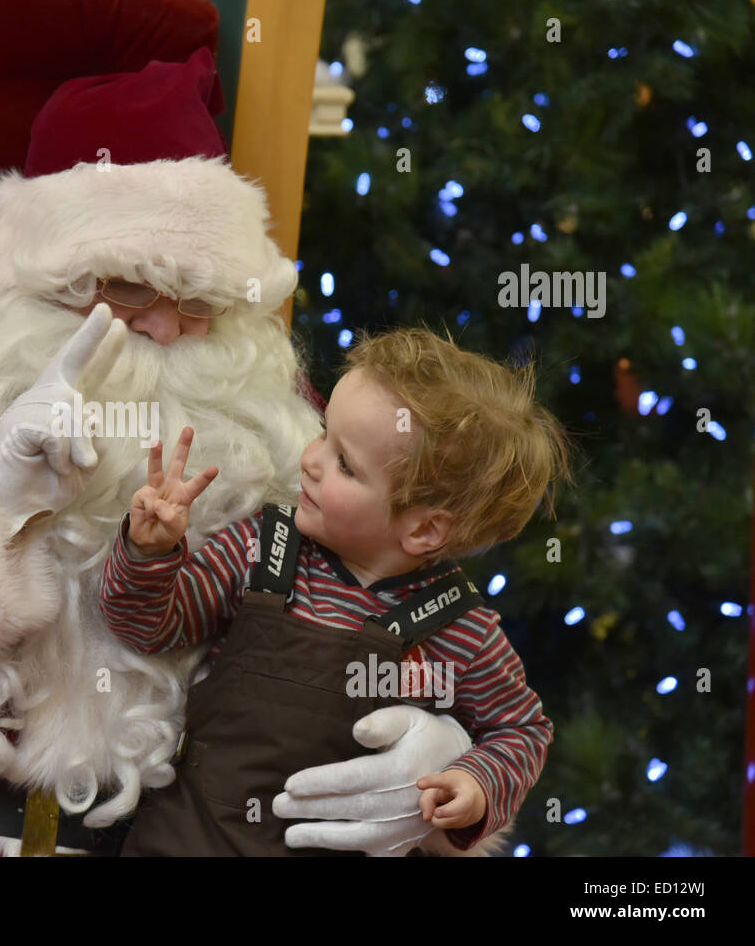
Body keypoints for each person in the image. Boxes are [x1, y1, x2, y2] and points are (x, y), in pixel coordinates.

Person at [0, 47, 485, 856]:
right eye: (125, 286)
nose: (162, 328)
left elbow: (397, 605)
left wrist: (442, 754)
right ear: (32, 271)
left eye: (199, 298)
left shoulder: (272, 408)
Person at [101, 327, 571, 855]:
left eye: (344, 463)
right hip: (186, 840)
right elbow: (147, 627)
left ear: (423, 530)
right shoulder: (264, 547)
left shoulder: (460, 630)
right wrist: (150, 552)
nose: (309, 458)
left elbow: (522, 730)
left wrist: (478, 785)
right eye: (323, 431)